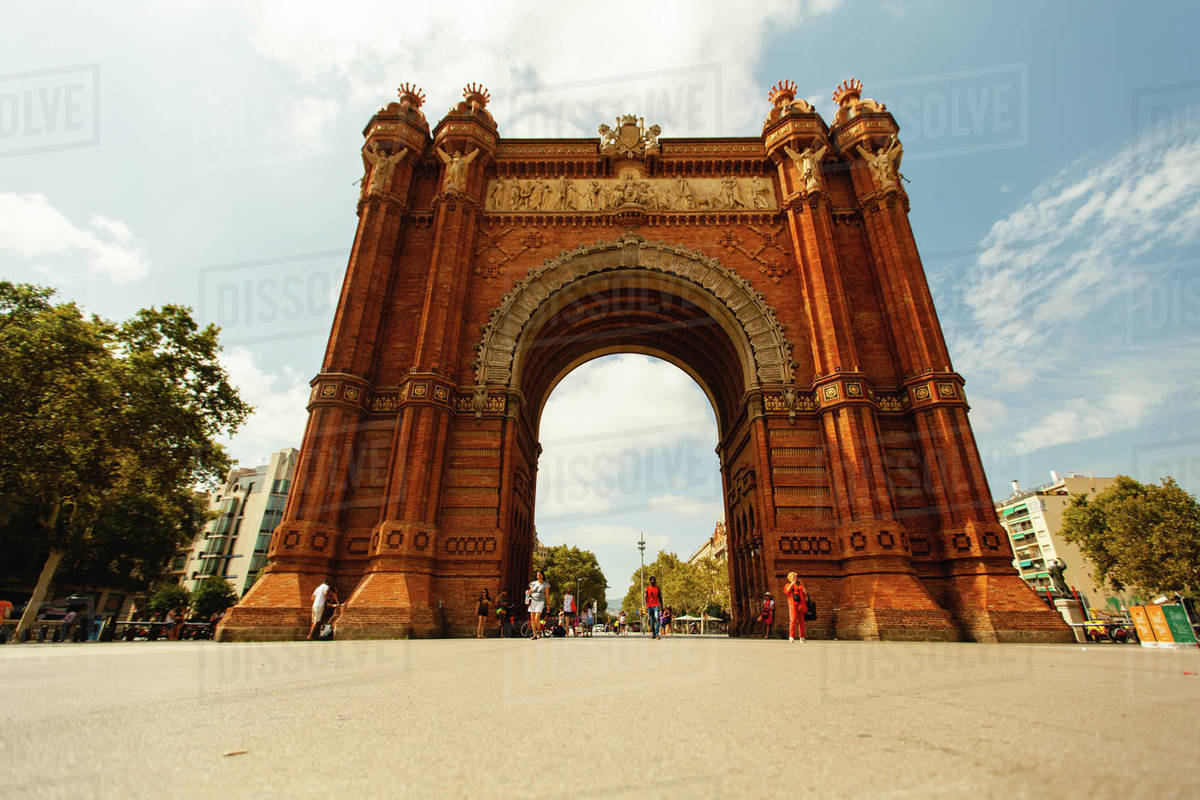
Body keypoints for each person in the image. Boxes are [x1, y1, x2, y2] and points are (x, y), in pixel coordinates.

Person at [785, 572, 808, 643]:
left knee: (801, 621)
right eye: (793, 577)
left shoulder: (800, 585)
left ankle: (802, 637)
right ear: (790, 578)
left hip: (801, 603)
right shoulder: (788, 585)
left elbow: (805, 592)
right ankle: (791, 636)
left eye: (796, 577)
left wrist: (802, 584)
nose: (795, 578)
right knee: (793, 619)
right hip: (792, 603)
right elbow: (787, 591)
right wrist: (792, 584)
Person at [525, 570, 548, 639]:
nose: (538, 576)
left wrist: (548, 604)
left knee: (537, 617)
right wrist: (527, 592)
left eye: (540, 575)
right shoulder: (533, 583)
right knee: (532, 618)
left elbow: (546, 594)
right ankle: (534, 634)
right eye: (537, 575)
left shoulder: (546, 584)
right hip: (533, 601)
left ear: (543, 576)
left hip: (540, 601)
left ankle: (539, 632)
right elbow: (530, 591)